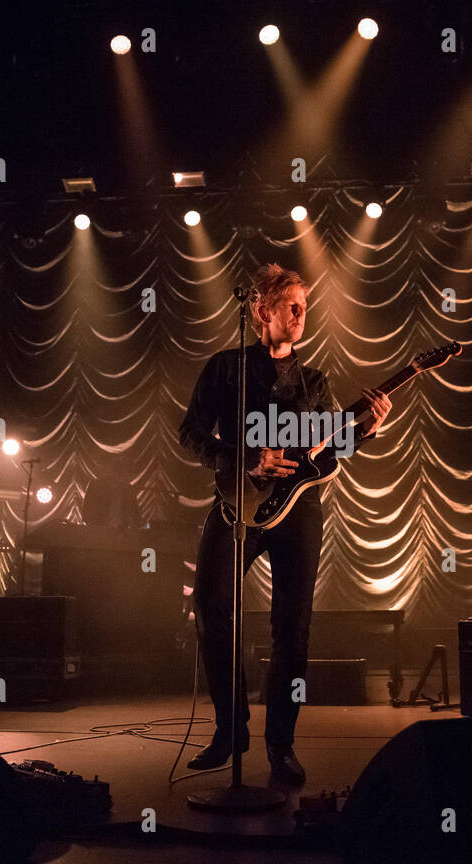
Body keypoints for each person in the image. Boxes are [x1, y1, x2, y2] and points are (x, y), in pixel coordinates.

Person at [178, 264, 391, 785]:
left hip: (299, 512)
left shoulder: (313, 381)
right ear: (262, 311)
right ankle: (231, 730)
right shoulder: (226, 369)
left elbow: (328, 453)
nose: (301, 315)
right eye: (291, 306)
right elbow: (190, 434)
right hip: (236, 504)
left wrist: (365, 429)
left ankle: (281, 745)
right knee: (210, 607)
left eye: (304, 307)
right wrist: (247, 457)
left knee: (292, 627)